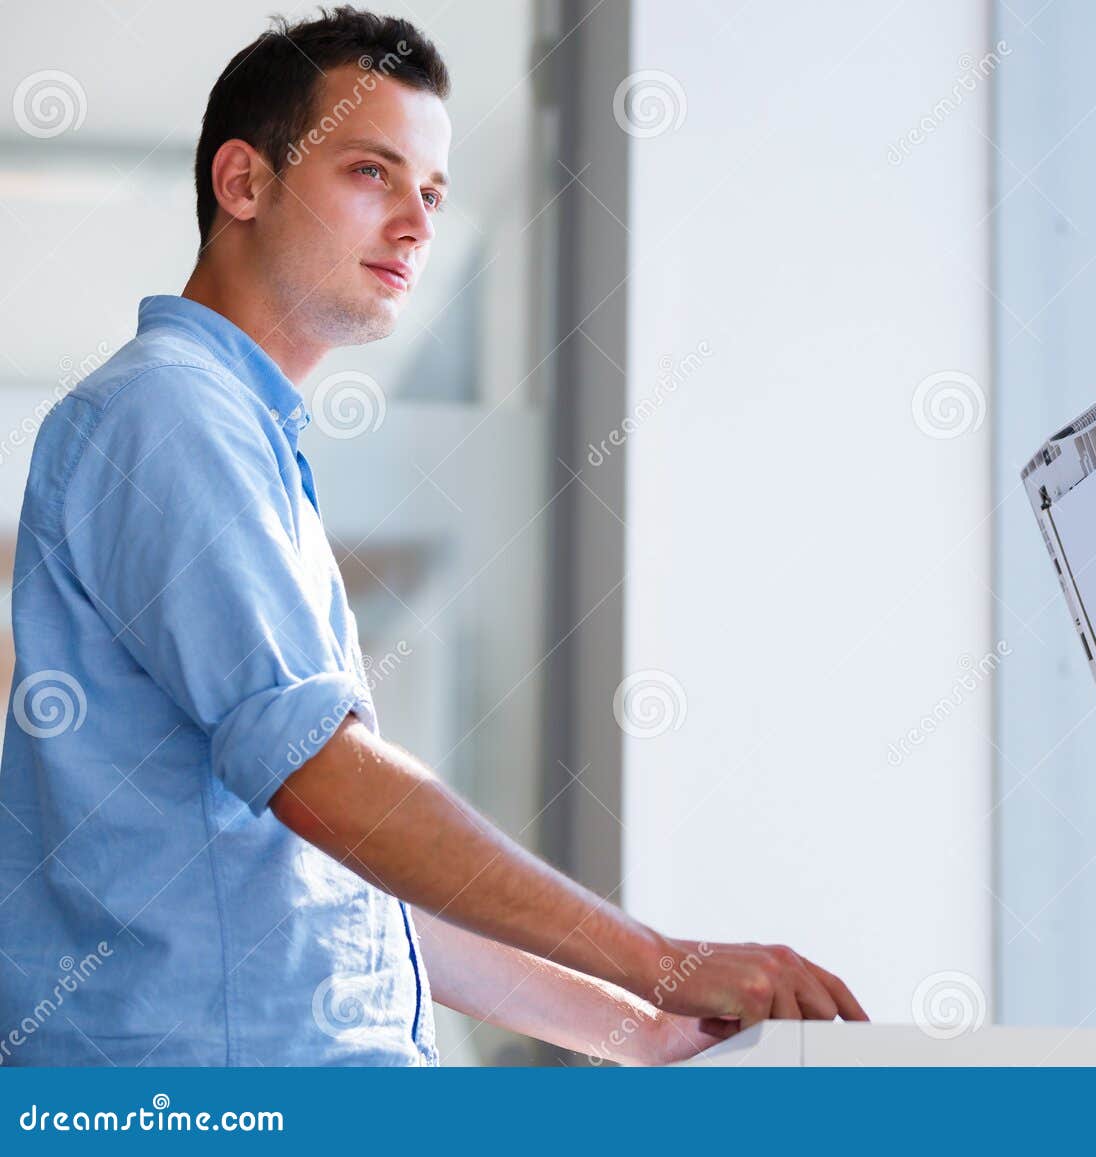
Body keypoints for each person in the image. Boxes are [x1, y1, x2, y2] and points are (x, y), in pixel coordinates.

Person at [0, 6, 865, 1067]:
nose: (415, 223)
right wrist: (656, 955)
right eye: (373, 172)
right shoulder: (168, 415)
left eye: (435, 193)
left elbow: (345, 880)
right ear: (243, 183)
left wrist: (636, 1022)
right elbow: (326, 780)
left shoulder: (245, 444)